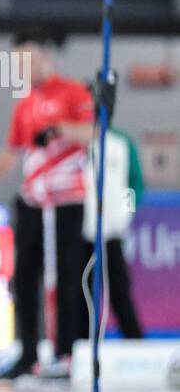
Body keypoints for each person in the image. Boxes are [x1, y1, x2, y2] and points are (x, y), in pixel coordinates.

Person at [0, 32, 93, 378]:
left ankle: (64, 354)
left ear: (45, 57)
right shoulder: (24, 103)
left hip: (66, 199)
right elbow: (13, 149)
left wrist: (58, 129)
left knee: (65, 277)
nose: (23, 69)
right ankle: (27, 354)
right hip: (33, 201)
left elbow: (93, 131)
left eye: (29, 60)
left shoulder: (72, 92)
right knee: (24, 277)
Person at [82, 126, 145, 339]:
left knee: (118, 289)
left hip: (111, 231)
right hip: (80, 231)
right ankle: (81, 342)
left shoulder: (121, 142)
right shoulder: (78, 141)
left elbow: (133, 183)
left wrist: (124, 214)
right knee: (81, 293)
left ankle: (134, 340)